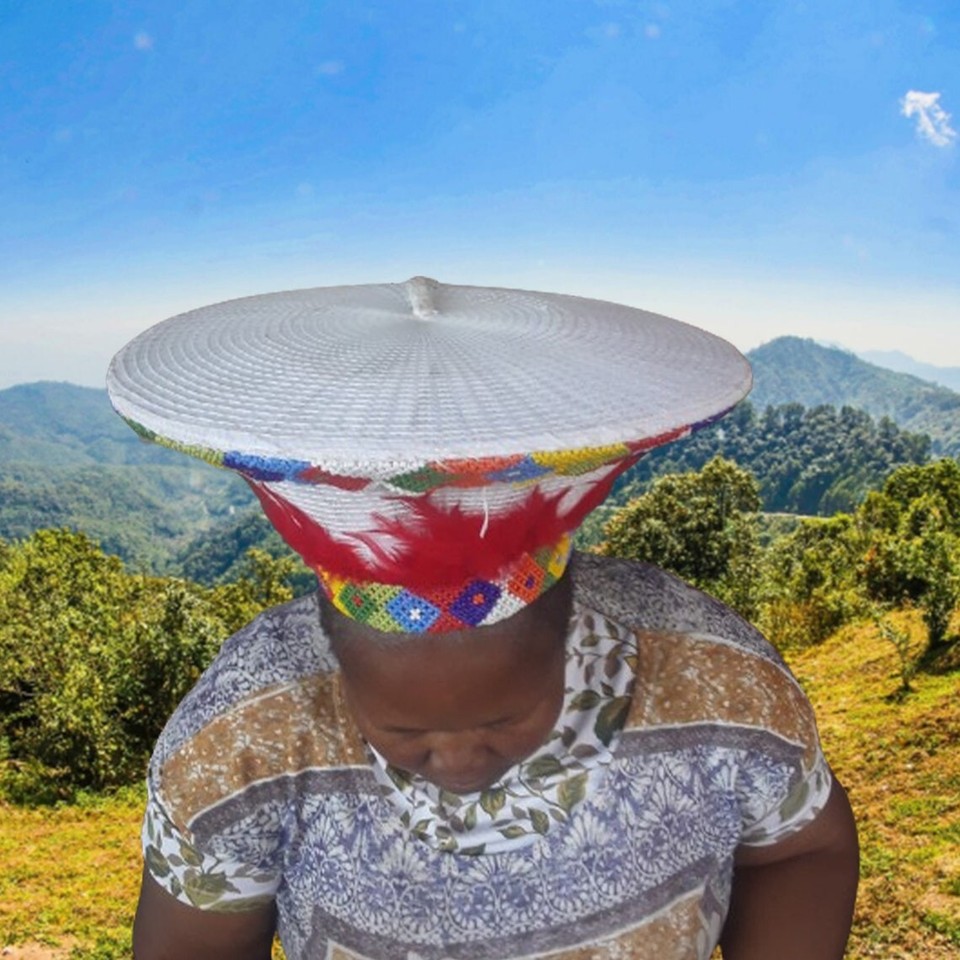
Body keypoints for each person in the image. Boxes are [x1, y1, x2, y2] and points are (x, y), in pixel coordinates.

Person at [108, 277, 859, 960]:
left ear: (569, 632)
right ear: (329, 653)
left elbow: (800, 850)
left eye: (505, 720)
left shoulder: (720, 684)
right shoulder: (240, 741)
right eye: (407, 735)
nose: (463, 763)